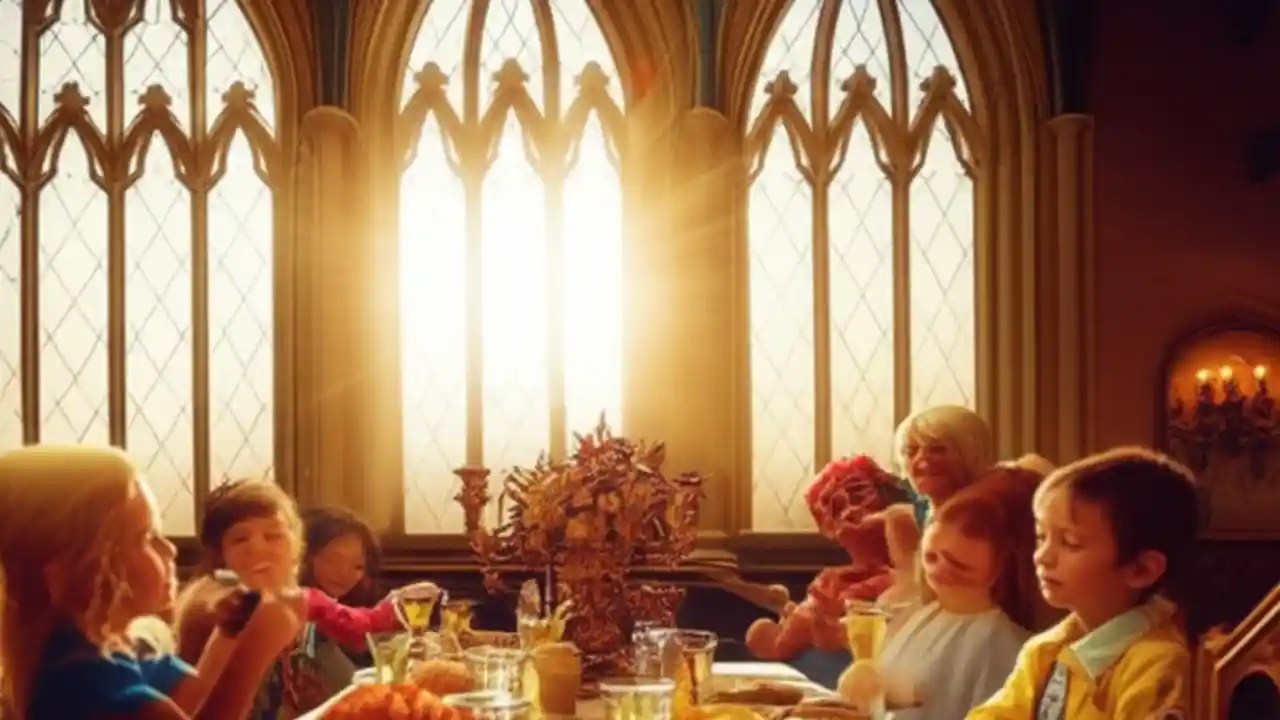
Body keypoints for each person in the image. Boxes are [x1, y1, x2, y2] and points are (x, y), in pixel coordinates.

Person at [0, 445, 302, 720]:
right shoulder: (79, 682)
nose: (169, 549)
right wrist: (256, 648)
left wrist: (229, 632)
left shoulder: (118, 648)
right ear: (77, 567)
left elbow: (189, 699)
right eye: (145, 538)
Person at [967, 447, 1200, 718]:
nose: (1042, 556)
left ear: (1141, 569)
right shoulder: (1047, 649)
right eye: (1042, 537)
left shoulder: (1158, 665)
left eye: (1070, 543)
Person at [174, 480, 435, 718]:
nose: (258, 548)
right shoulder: (221, 606)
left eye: (273, 536)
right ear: (219, 555)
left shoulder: (292, 601)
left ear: (297, 545)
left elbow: (355, 631)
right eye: (240, 539)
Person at [840, 465, 1042, 718]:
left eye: (958, 565)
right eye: (932, 558)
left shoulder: (996, 640)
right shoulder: (928, 613)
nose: (940, 569)